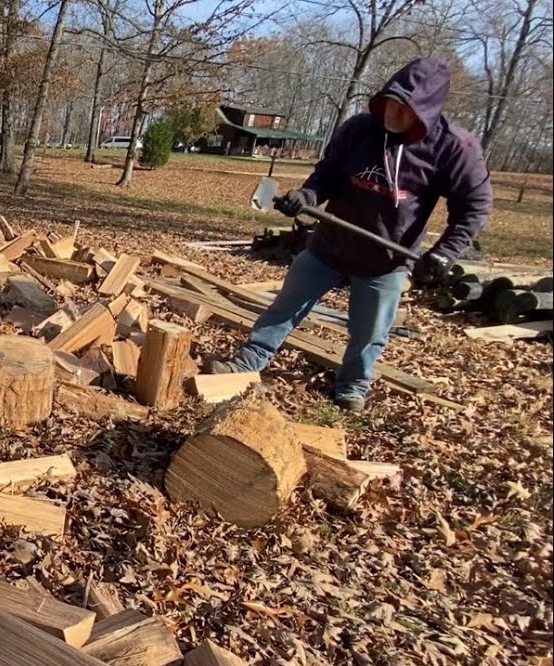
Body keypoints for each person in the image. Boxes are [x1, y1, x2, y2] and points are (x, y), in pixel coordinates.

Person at [210, 58, 492, 411]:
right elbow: (326, 175)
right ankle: (247, 364)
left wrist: (445, 253)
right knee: (284, 308)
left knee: (369, 333)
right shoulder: (360, 129)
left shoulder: (454, 147)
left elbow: (475, 206)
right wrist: (307, 197)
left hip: (385, 261)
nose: (392, 113)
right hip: (330, 246)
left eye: (404, 109)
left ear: (425, 111)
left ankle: (353, 387)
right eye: (389, 102)